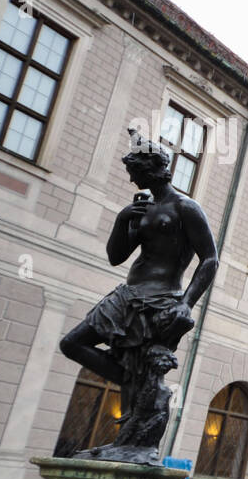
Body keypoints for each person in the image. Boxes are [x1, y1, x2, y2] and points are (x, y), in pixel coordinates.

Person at [59, 129, 217, 457]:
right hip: (128, 295)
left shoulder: (186, 207)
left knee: (147, 369)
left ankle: (133, 440)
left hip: (162, 300)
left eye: (133, 171)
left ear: (149, 169)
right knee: (72, 343)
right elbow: (117, 256)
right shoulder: (143, 207)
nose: (131, 179)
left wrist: (186, 304)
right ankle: (133, 385)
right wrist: (122, 221)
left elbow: (211, 259)